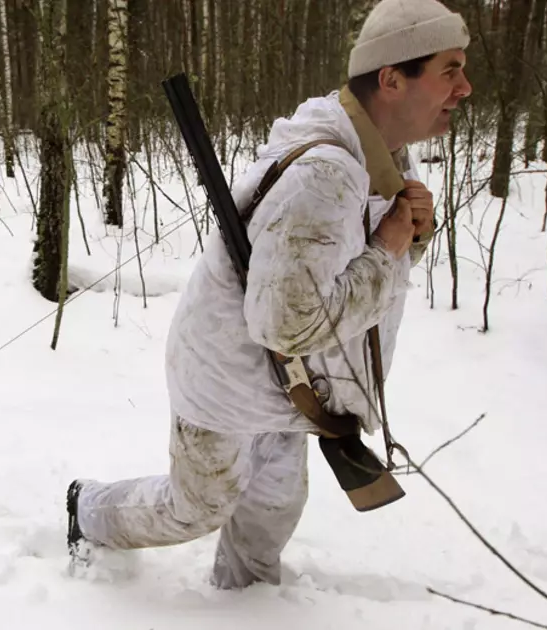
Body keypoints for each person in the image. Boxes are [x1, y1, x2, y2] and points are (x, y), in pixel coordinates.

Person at [65, 0, 473, 589]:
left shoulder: (379, 152)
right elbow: (287, 322)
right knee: (195, 508)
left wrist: (408, 235)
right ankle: (87, 511)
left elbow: (343, 265)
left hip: (296, 383)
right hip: (233, 377)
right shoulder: (326, 174)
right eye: (450, 69)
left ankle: (249, 606)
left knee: (275, 505)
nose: (464, 87)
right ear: (391, 78)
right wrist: (388, 249)